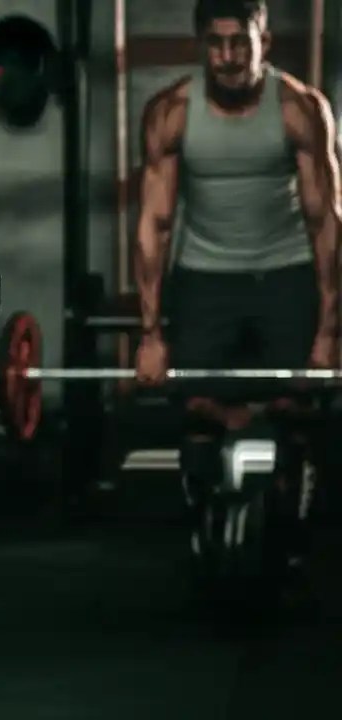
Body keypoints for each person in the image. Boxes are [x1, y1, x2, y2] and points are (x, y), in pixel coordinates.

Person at [134, 0, 340, 574]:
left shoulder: (301, 108)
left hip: (286, 273)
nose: (228, 57)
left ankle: (294, 528)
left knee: (299, 403)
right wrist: (150, 334)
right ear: (202, 44)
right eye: (216, 43)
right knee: (197, 405)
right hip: (204, 278)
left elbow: (326, 223)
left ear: (263, 42)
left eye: (240, 43)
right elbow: (154, 224)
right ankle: (204, 519)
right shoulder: (171, 112)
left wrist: (328, 331)